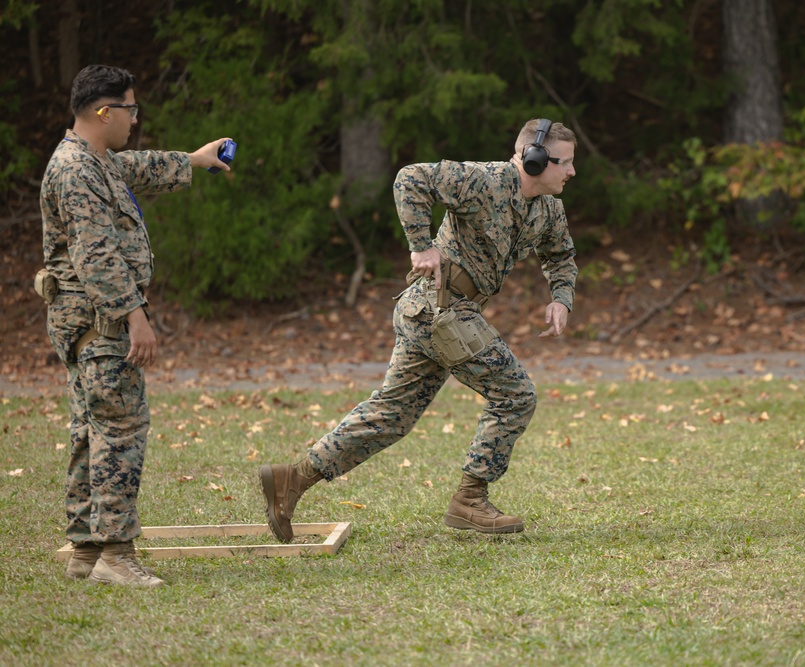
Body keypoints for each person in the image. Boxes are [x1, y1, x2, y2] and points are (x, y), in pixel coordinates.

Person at [259, 118, 579, 540]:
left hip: (440, 312)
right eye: (565, 163)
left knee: (390, 416)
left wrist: (560, 297)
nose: (572, 172)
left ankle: (292, 480)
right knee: (516, 394)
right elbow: (410, 178)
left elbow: (560, 255)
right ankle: (469, 500)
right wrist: (420, 244)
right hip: (437, 308)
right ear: (535, 161)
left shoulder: (547, 208)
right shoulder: (482, 180)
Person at [38, 64, 233, 588]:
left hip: (89, 319)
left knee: (90, 427)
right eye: (130, 109)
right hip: (101, 321)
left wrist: (193, 162)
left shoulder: (94, 158)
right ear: (104, 112)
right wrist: (135, 318)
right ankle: (116, 556)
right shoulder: (77, 170)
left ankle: (85, 548)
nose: (135, 118)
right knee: (121, 430)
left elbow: (137, 167)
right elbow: (96, 255)